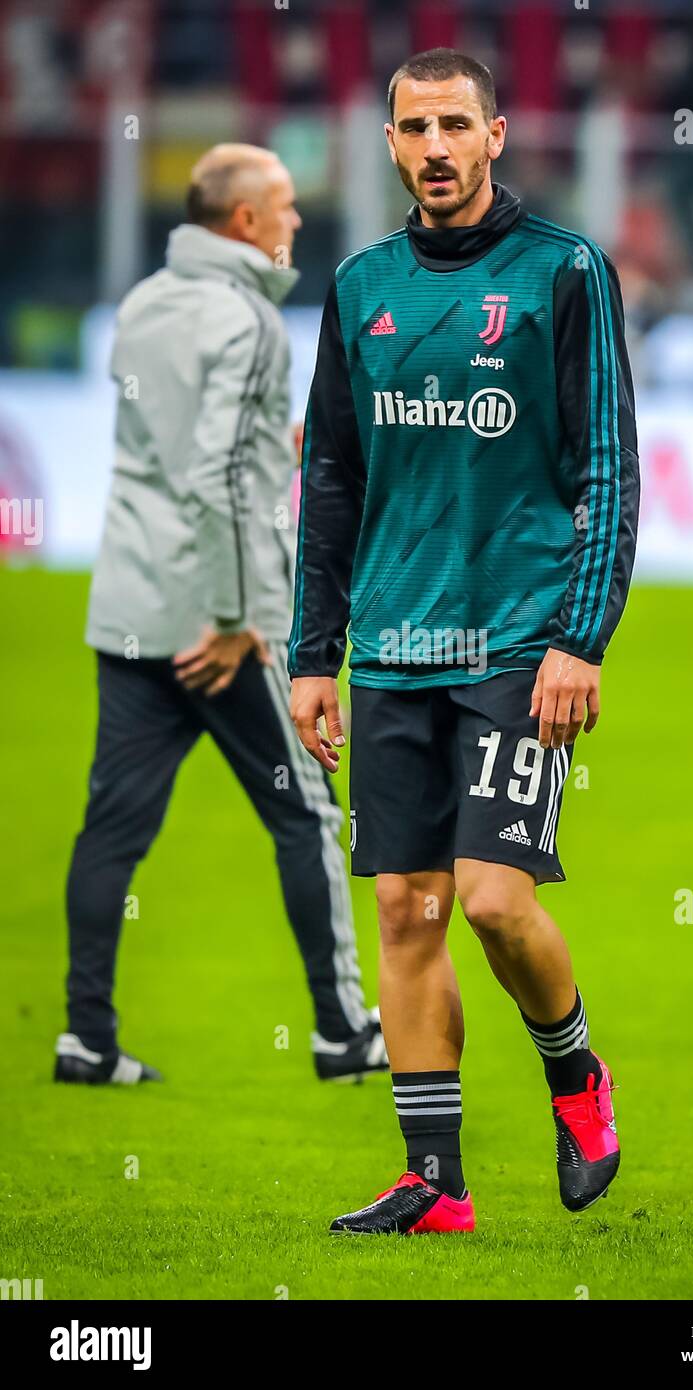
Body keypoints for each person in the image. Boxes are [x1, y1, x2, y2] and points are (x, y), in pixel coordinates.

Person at [288, 51, 640, 1233]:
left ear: (495, 134)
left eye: (454, 124)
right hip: (388, 647)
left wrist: (578, 639)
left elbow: (607, 468)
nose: (433, 147)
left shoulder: (563, 274)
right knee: (405, 913)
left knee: (490, 901)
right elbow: (329, 476)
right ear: (387, 143)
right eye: (411, 127)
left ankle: (574, 1075)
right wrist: (308, 654)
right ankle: (433, 1183)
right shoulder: (358, 285)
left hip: (516, 645)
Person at [56, 144, 386, 1087]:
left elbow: (166, 446)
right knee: (308, 818)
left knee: (110, 828)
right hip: (219, 625)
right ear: (244, 222)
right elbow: (211, 478)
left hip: (129, 606)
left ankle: (86, 1037)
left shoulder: (144, 302)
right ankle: (340, 1032)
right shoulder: (248, 320)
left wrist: (268, 444)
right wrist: (240, 617)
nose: (293, 221)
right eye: (284, 207)